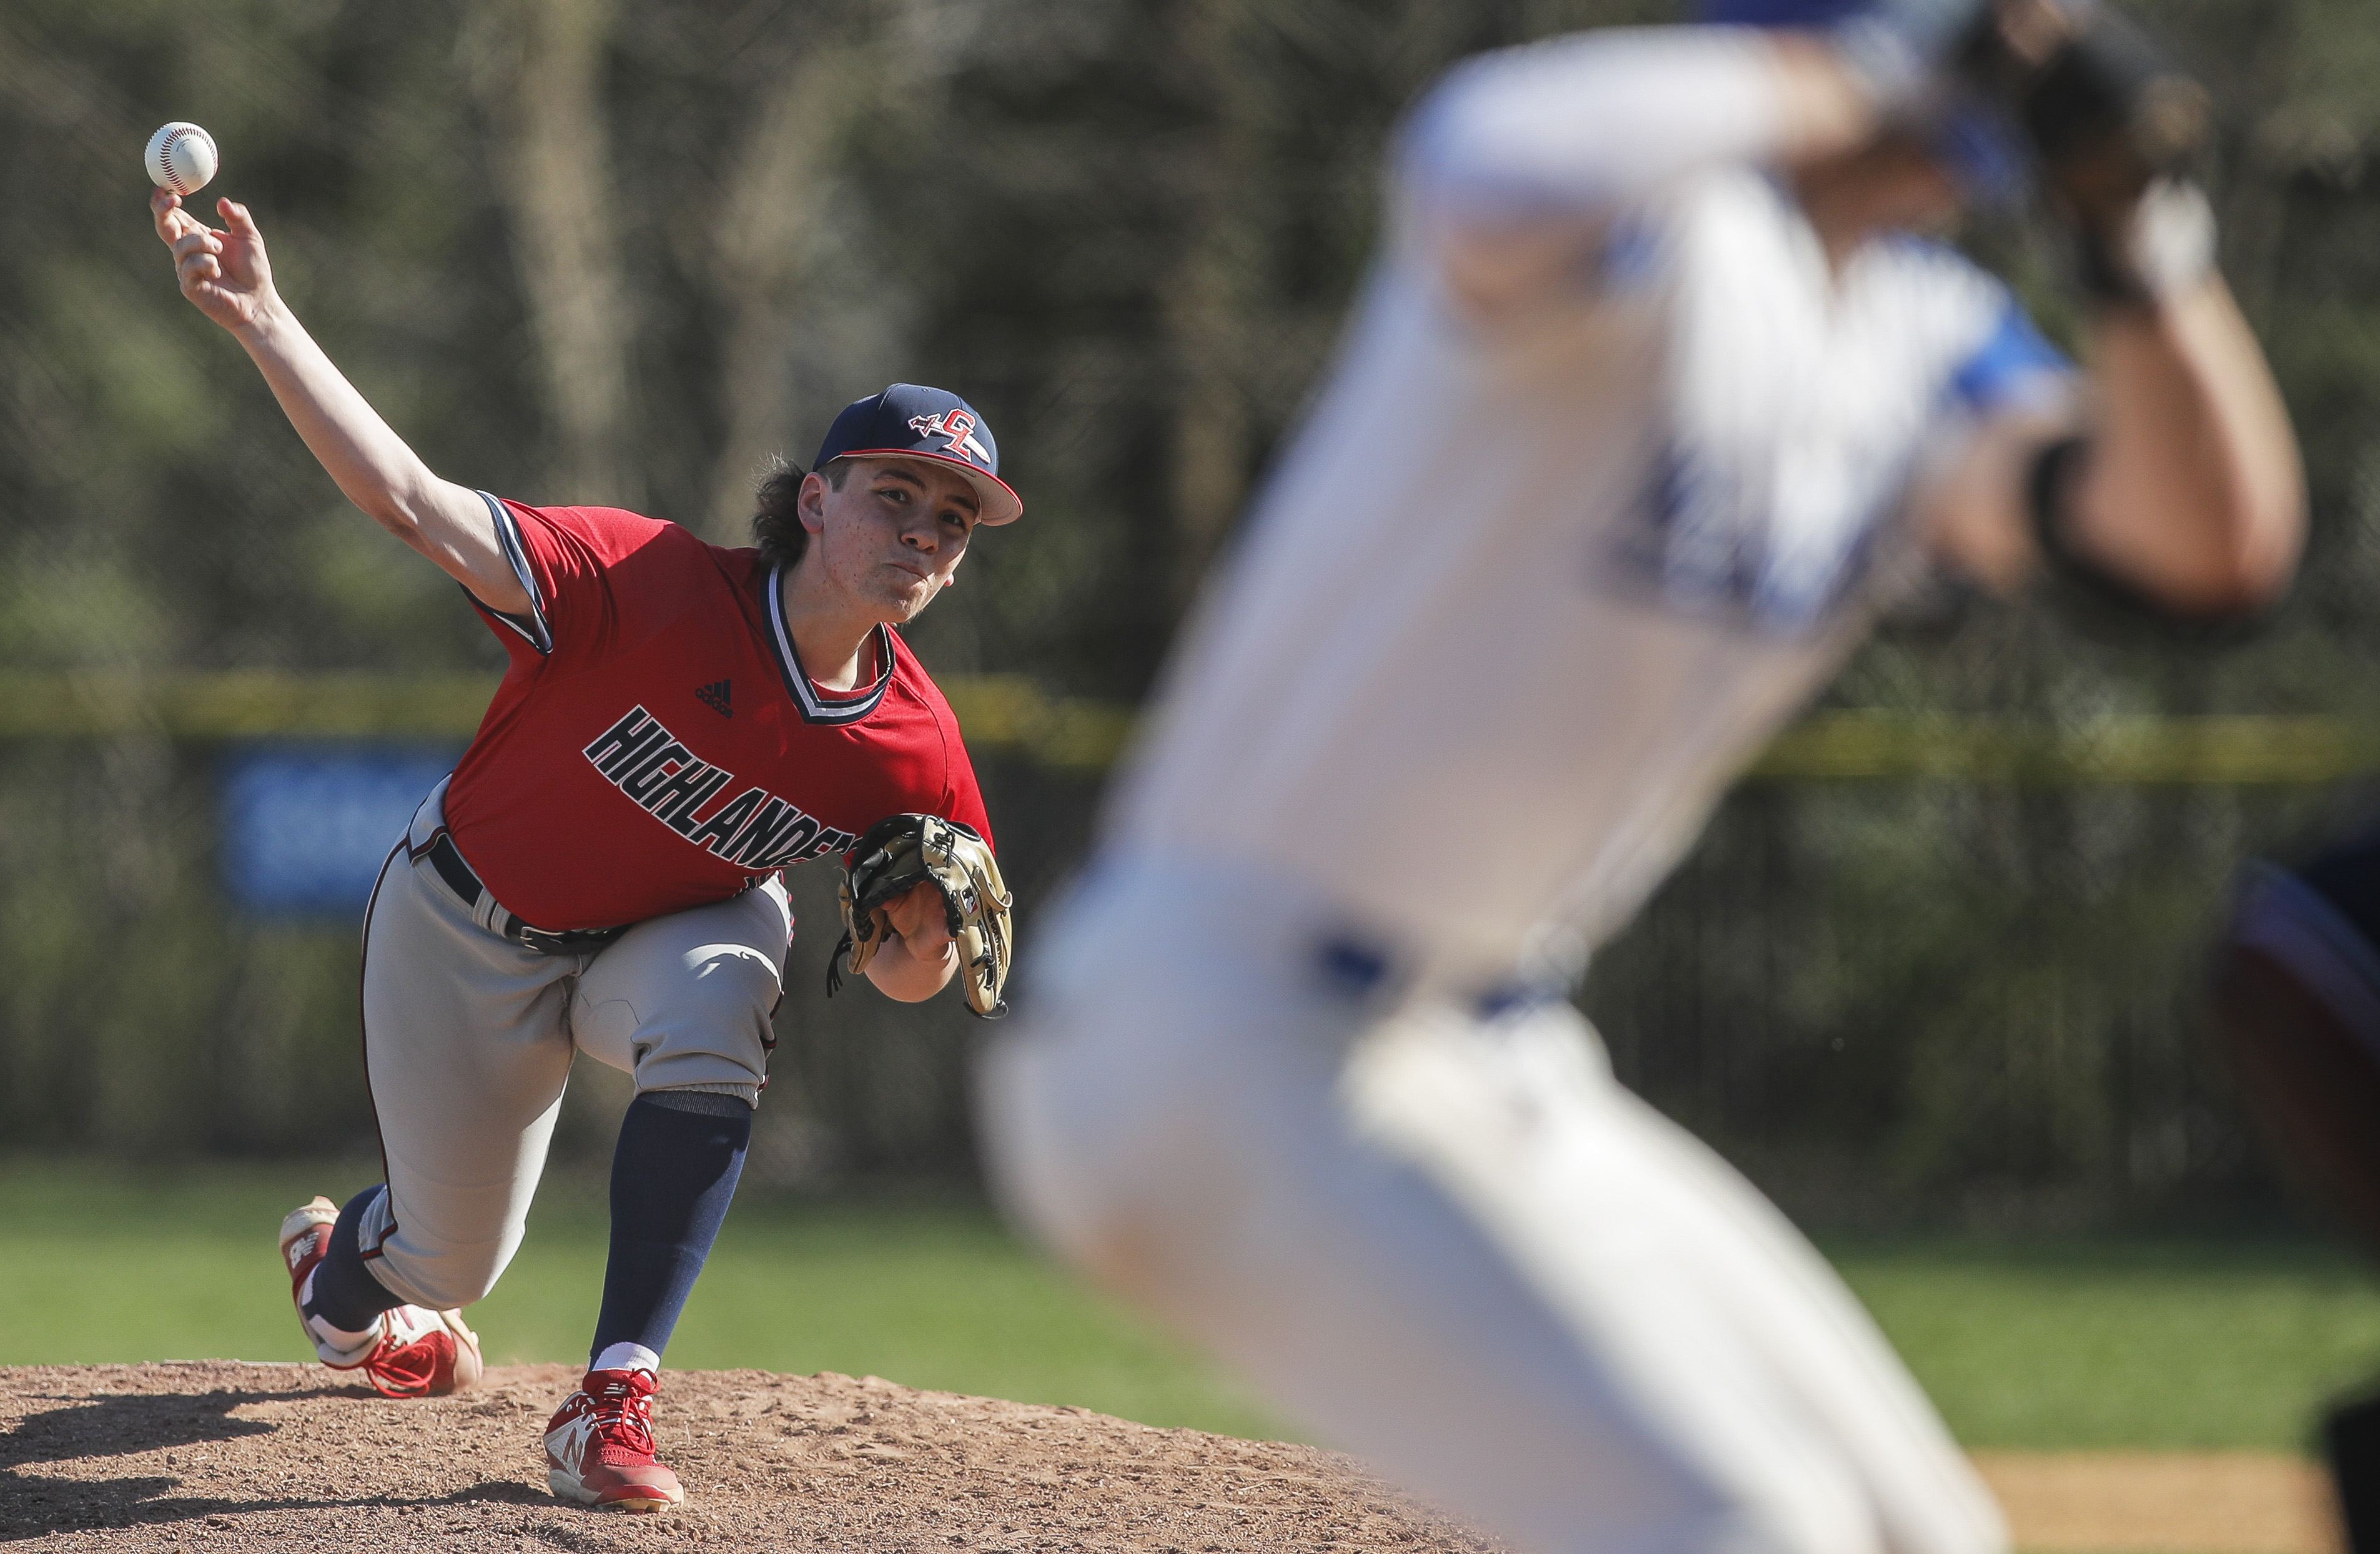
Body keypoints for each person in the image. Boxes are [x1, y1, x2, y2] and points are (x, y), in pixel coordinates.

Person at [979, 1, 2303, 1552]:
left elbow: (2203, 552)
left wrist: (2137, 240)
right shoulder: (1643, 243)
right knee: (1745, 1530)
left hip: (1490, 1058)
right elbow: (1481, 159)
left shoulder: (1914, 340)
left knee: (1920, 1537)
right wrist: (1883, 60)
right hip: (1225, 1028)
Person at [150, 185, 1018, 1513]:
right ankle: (341, 1269)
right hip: (464, 923)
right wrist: (264, 317)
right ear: (815, 498)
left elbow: (912, 981)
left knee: (735, 978)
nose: (922, 531)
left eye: (951, 520)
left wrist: (915, 942)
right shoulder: (641, 581)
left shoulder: (917, 750)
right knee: (444, 1266)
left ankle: (611, 1400)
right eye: (895, 493)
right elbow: (410, 503)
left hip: (662, 944)